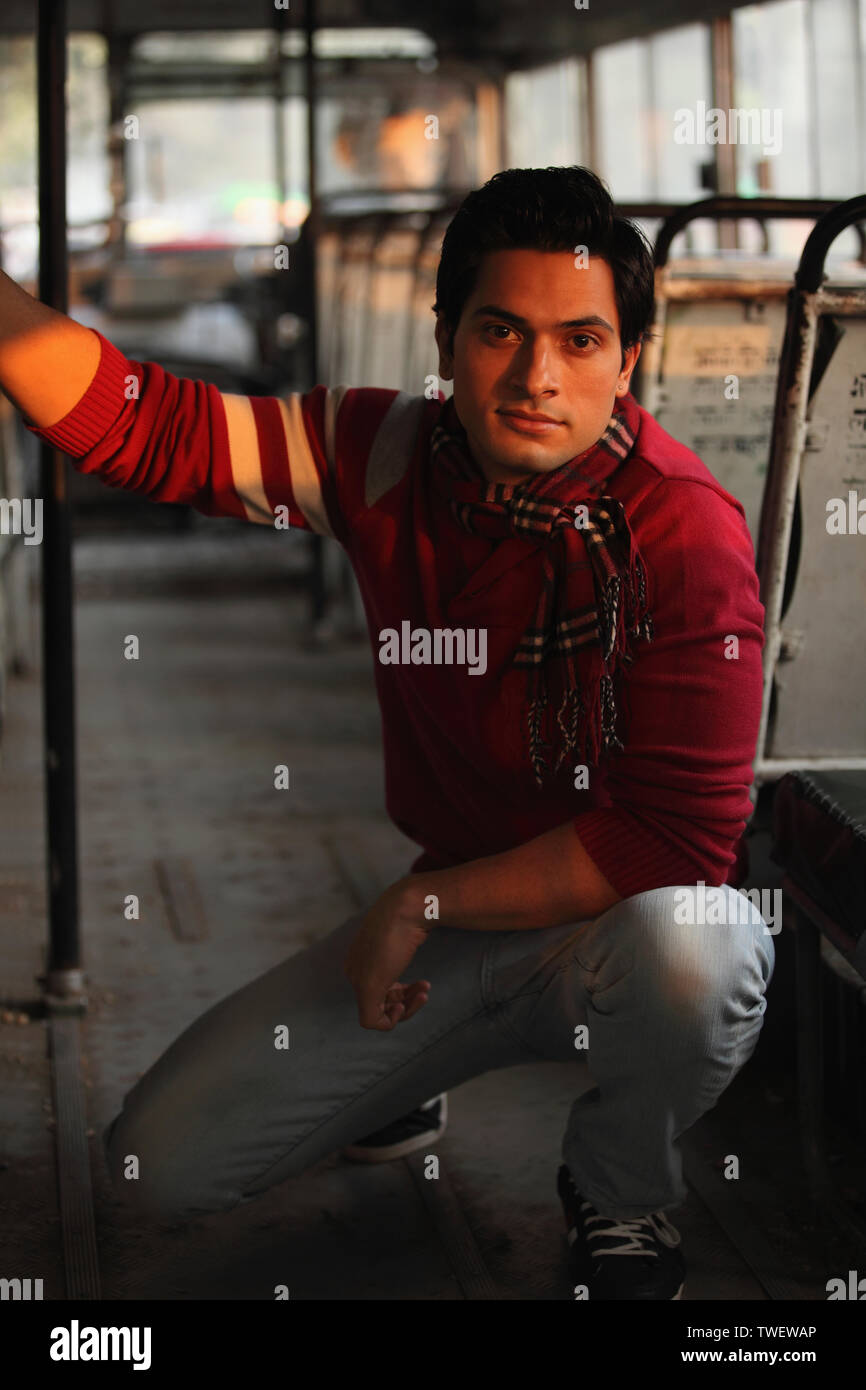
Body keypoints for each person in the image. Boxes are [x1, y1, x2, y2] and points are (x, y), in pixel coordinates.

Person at [0, 166, 774, 1300]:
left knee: (701, 942)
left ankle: (619, 1190)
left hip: (606, 927)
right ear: (447, 336)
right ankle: (398, 1076)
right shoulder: (379, 454)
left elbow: (674, 842)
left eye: (579, 340)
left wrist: (413, 905)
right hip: (460, 922)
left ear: (629, 359)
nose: (535, 377)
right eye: (498, 331)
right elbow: (147, 429)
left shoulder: (682, 536)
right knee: (152, 1170)